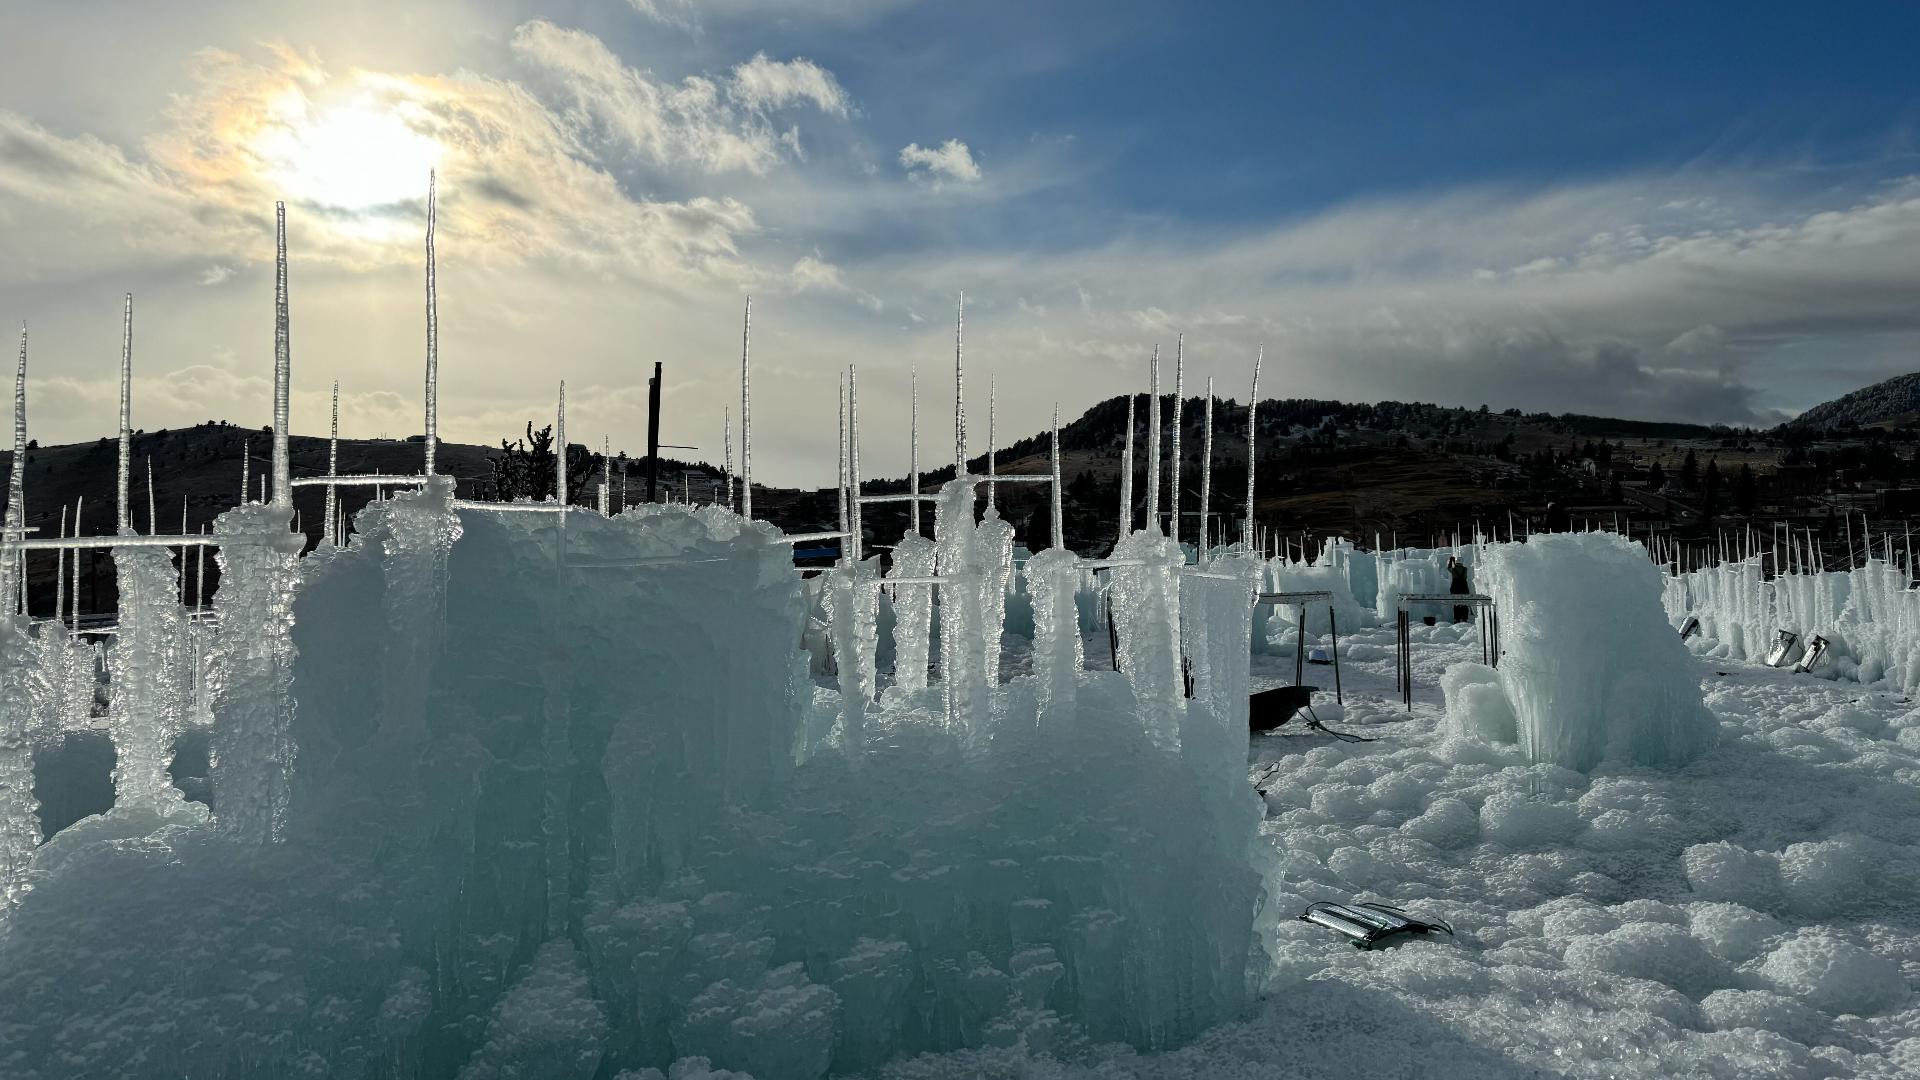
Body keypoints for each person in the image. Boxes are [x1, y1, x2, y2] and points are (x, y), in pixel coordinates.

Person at [1447, 555, 1471, 623]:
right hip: (1464, 588)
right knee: (1464, 603)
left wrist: (1451, 561)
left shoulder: (1454, 569)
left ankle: (1457, 619)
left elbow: (1449, 568)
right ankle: (1464, 618)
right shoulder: (1465, 569)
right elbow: (1458, 569)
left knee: (1456, 603)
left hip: (1455, 588)